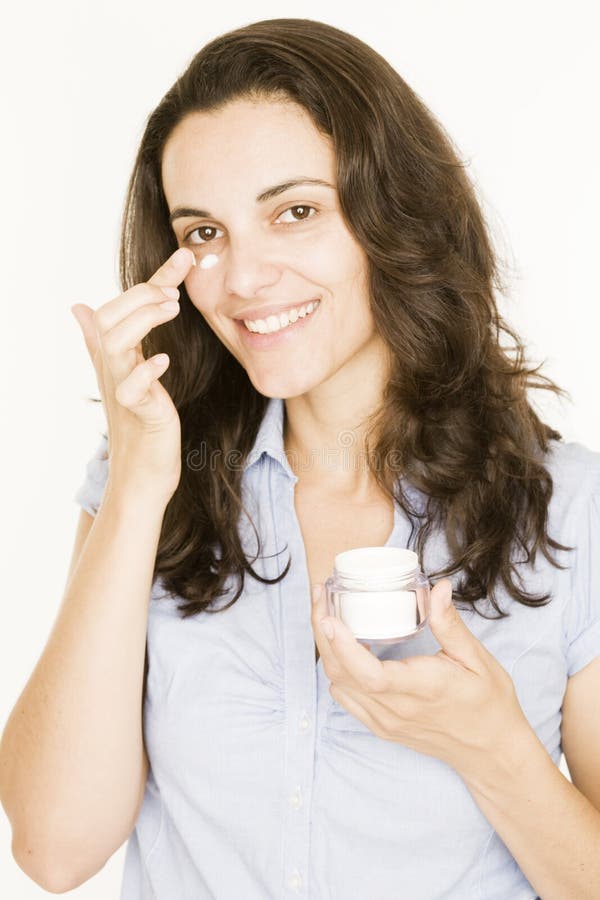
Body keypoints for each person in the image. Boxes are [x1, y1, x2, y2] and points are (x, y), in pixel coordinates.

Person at [1, 16, 599, 900]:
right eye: (204, 233)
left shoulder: (570, 507)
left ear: (395, 214)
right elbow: (54, 851)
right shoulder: (149, 481)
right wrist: (135, 486)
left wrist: (495, 749)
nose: (243, 279)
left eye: (296, 212)